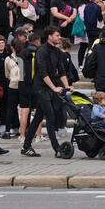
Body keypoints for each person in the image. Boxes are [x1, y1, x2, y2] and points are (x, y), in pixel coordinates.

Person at [22, 27, 71, 159]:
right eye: (56, 35)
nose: (59, 37)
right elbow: (43, 72)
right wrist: (54, 88)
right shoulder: (41, 51)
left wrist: (67, 86)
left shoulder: (57, 51)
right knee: (51, 116)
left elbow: (61, 71)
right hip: (40, 87)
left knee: (38, 117)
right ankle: (57, 148)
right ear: (49, 36)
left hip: (49, 87)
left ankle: (26, 147)